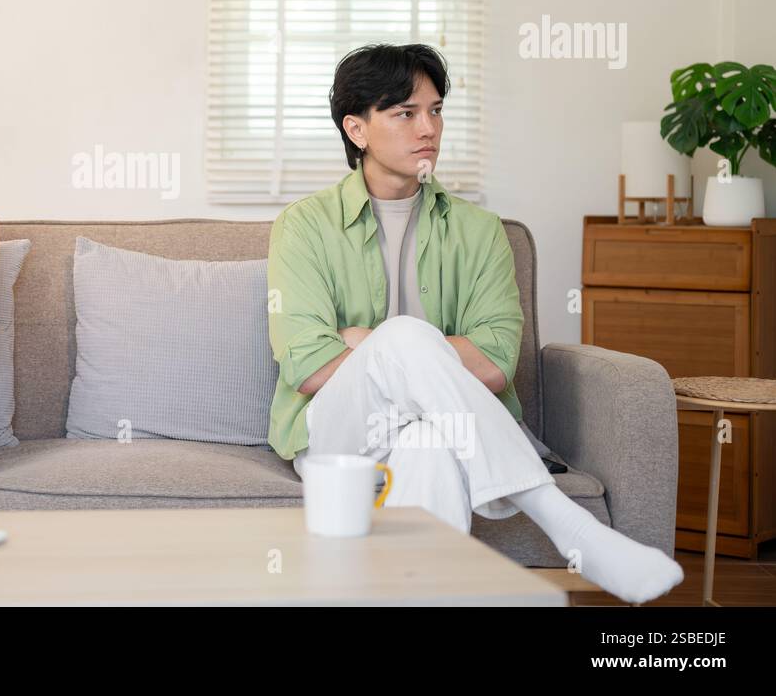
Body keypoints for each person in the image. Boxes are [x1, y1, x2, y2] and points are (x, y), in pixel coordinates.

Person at [267, 42, 683, 604]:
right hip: (340, 433)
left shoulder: (482, 231)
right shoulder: (304, 226)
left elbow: (493, 367)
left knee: (430, 442)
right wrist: (399, 348)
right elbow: (309, 364)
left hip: (446, 430)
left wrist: (367, 343)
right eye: (405, 113)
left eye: (436, 110)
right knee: (405, 337)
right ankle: (568, 523)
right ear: (357, 129)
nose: (428, 128)